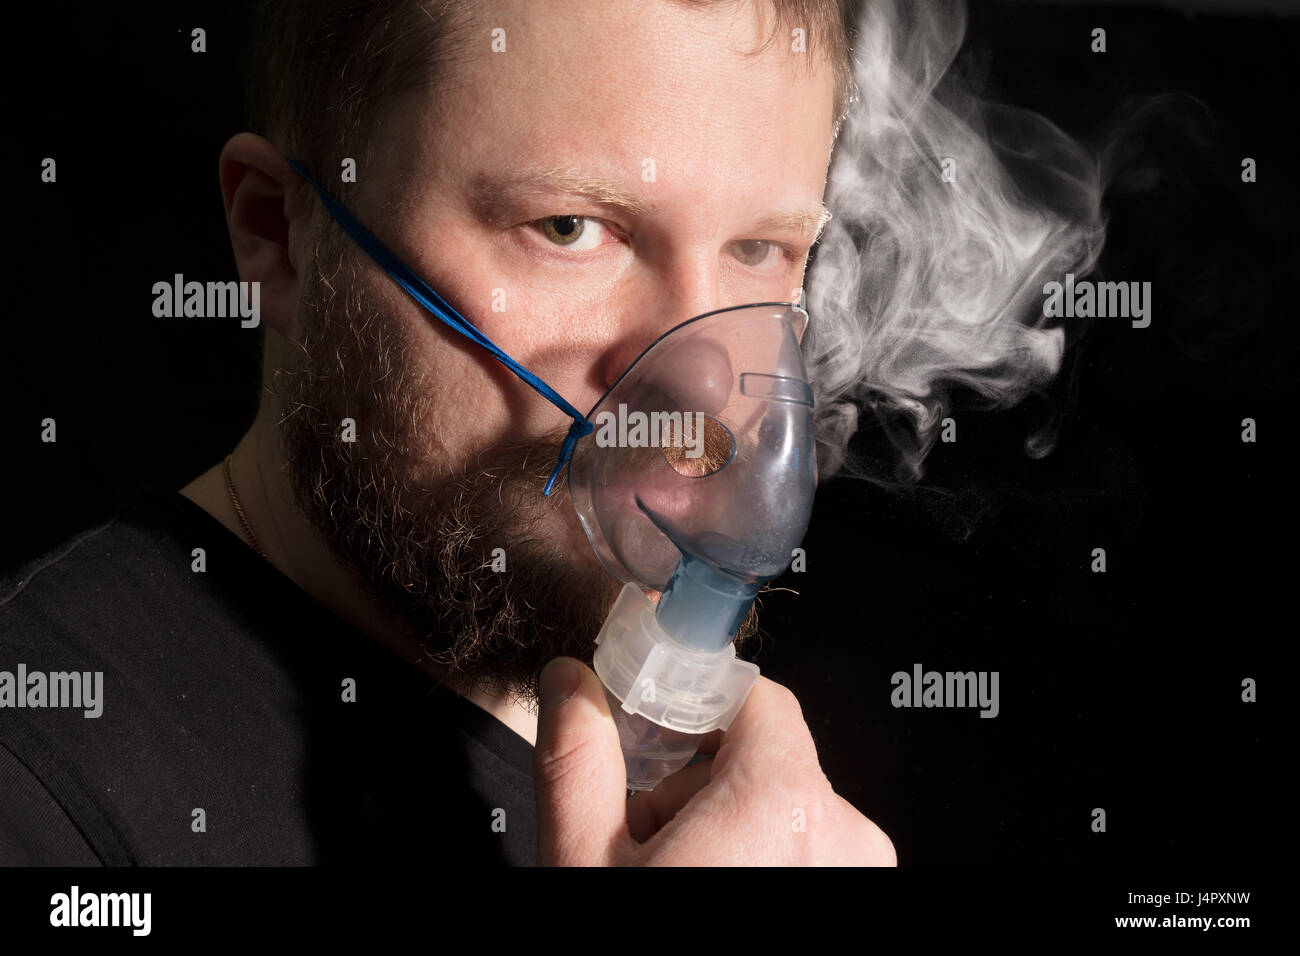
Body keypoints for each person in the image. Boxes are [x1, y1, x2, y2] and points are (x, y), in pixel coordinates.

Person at [0, 0, 895, 866]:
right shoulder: (40, 790)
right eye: (569, 227)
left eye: (758, 251)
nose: (702, 391)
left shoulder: (719, 818)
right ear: (278, 233)